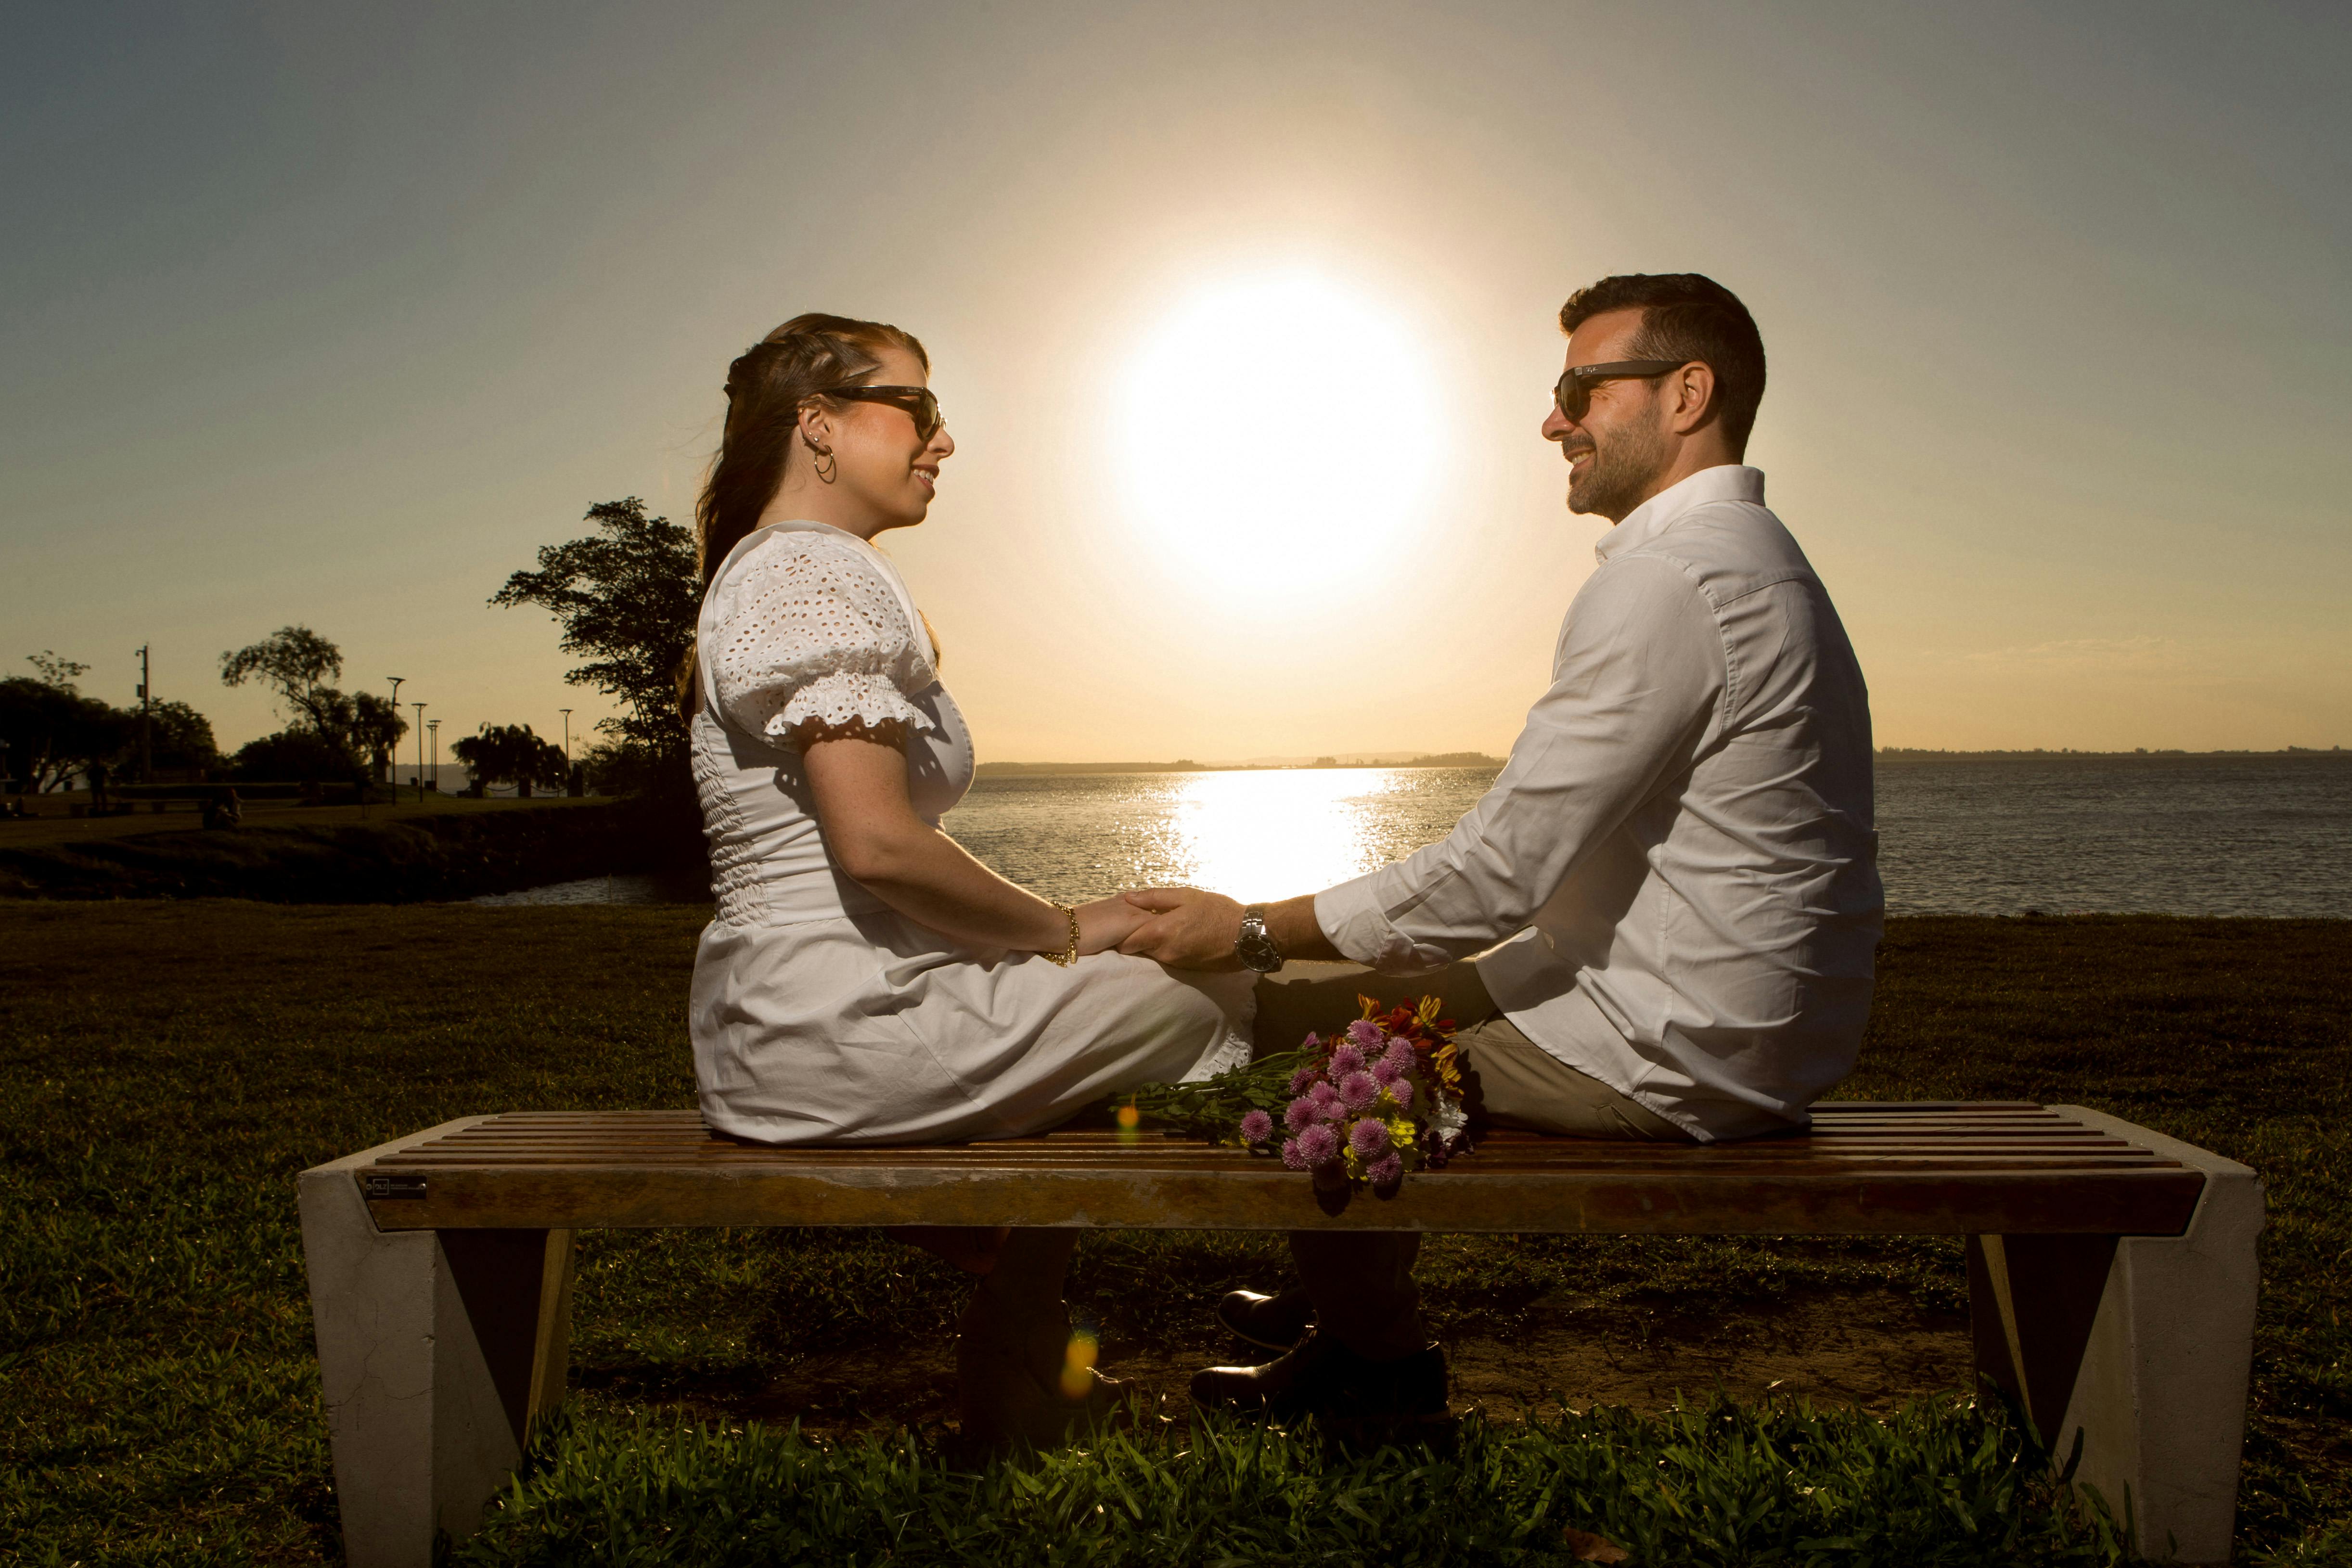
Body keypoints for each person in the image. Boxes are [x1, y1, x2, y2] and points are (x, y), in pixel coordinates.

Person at [1120, 272, 1884, 1433]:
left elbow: (1496, 875)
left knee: (1308, 1063)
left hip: (1671, 1043)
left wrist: (1255, 925)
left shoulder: (1669, 578)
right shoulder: (1745, 556)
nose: (1553, 419)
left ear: (1687, 396)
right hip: (1705, 1003)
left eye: (1582, 387)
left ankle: (1378, 1373)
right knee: (1307, 1002)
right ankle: (1339, 1292)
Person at [683, 313, 1254, 1445]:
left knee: (1122, 1007)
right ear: (820, 427)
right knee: (1212, 988)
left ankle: (1021, 1348)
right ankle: (1039, 1354)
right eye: (919, 410)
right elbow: (880, 848)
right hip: (840, 1034)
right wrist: (1065, 928)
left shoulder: (776, 571)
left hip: (775, 1033)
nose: (944, 443)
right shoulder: (806, 571)